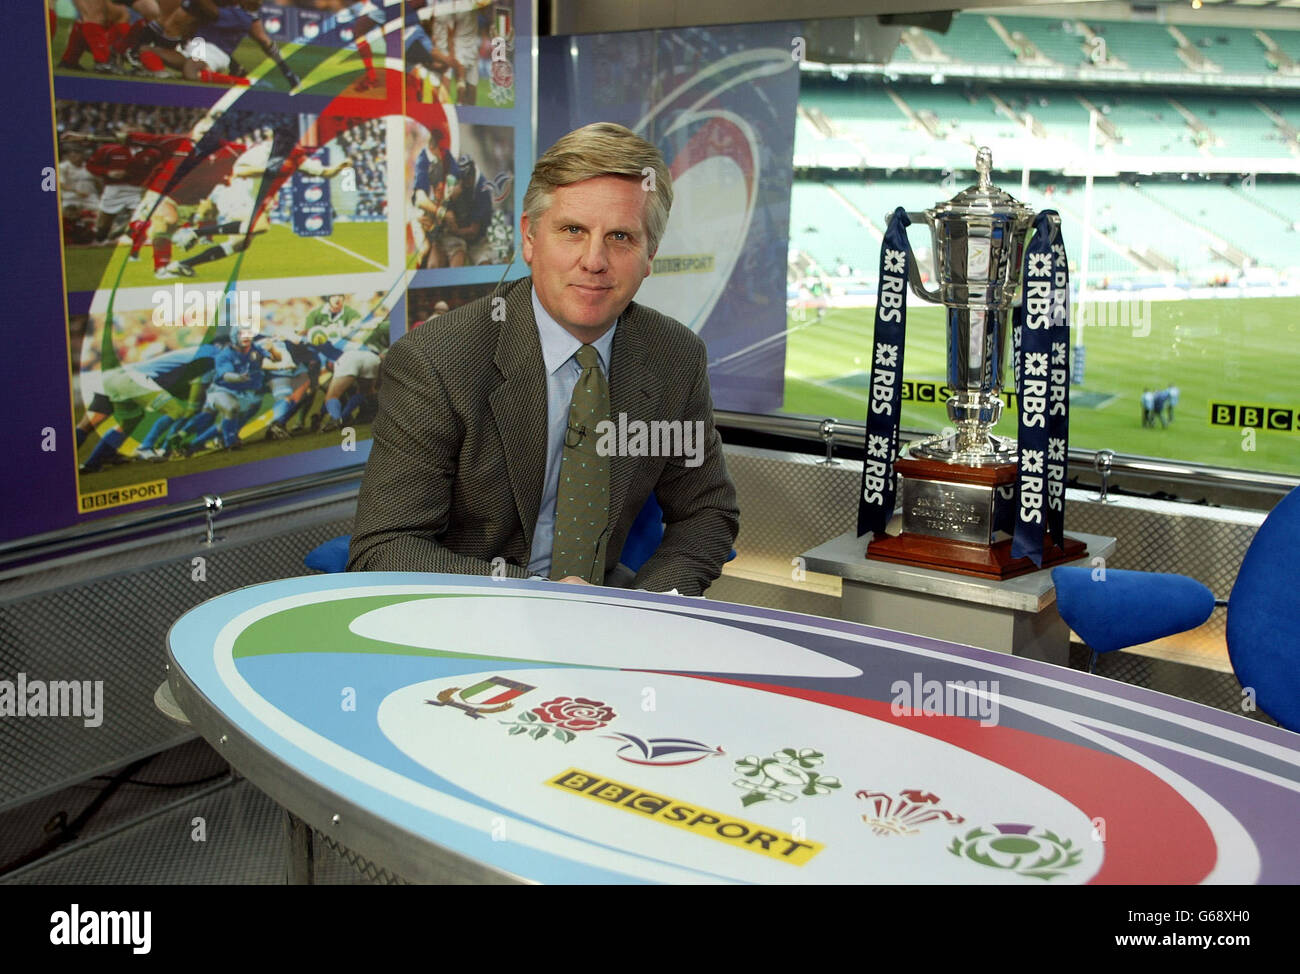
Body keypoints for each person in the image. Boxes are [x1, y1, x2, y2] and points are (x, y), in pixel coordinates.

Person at [348, 122, 739, 595]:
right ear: (530, 239)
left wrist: (647, 607)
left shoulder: (674, 356)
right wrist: (540, 597)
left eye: (620, 238)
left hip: (608, 610)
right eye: (572, 230)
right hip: (467, 613)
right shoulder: (436, 361)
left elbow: (706, 513)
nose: (594, 261)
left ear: (650, 254)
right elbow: (385, 547)